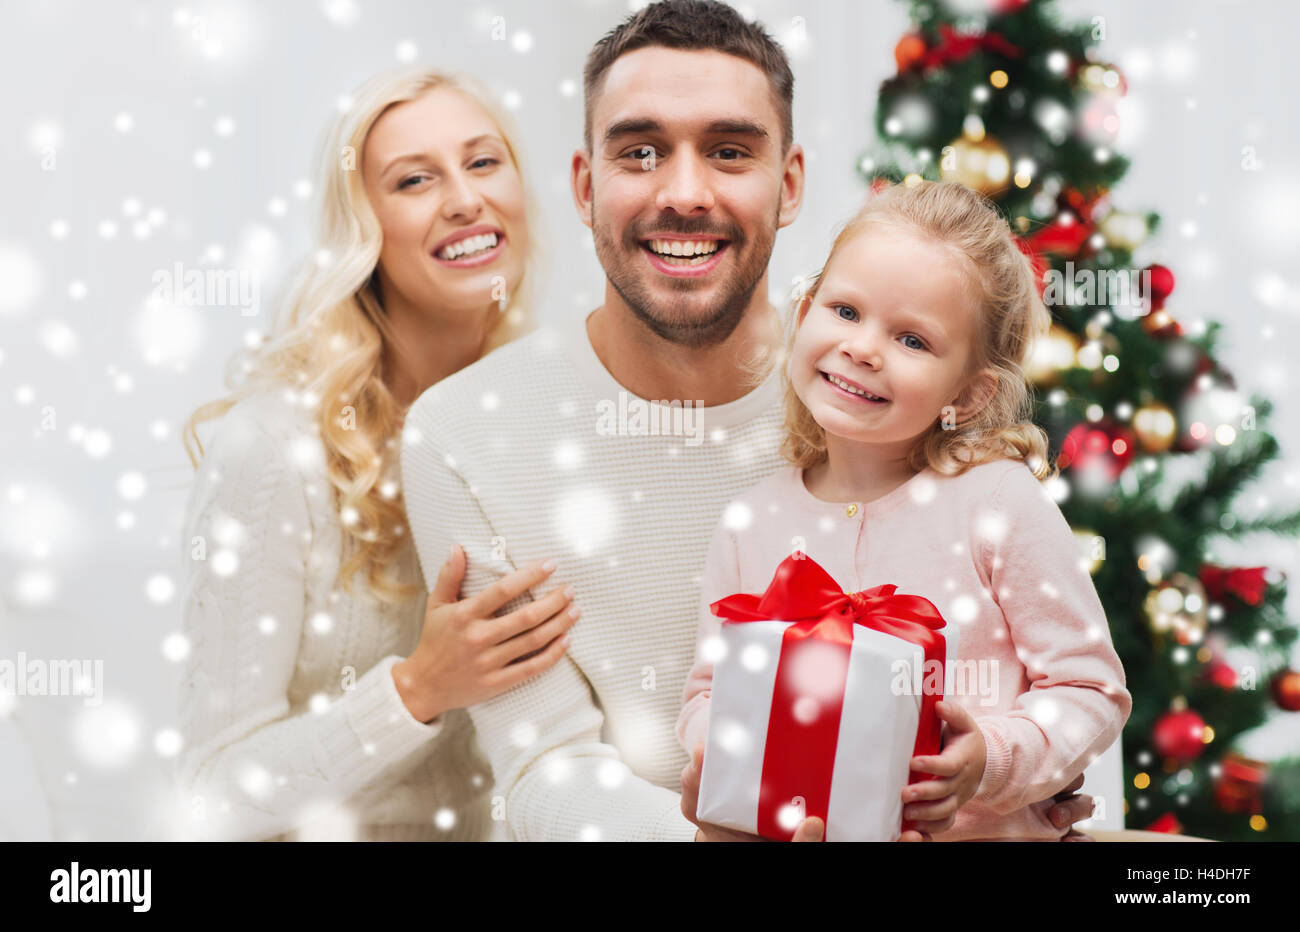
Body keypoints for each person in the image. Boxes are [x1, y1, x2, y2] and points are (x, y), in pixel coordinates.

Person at [399, 0, 1099, 841]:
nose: (685, 192)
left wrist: (1023, 785)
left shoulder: (892, 406)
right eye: (641, 151)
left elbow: (1065, 682)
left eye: (729, 151)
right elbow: (546, 765)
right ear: (587, 186)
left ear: (790, 182)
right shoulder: (464, 435)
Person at [176, 65, 578, 841]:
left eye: (484, 161)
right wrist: (417, 689)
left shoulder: (544, 422)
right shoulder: (271, 451)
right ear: (363, 227)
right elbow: (208, 802)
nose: (465, 199)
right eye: (414, 180)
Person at [676, 179, 1133, 841]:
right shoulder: (751, 522)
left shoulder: (996, 504)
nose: (863, 348)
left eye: (913, 341)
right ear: (804, 312)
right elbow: (707, 693)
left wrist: (992, 760)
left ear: (970, 394)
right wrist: (720, 756)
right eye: (845, 310)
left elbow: (1089, 691)